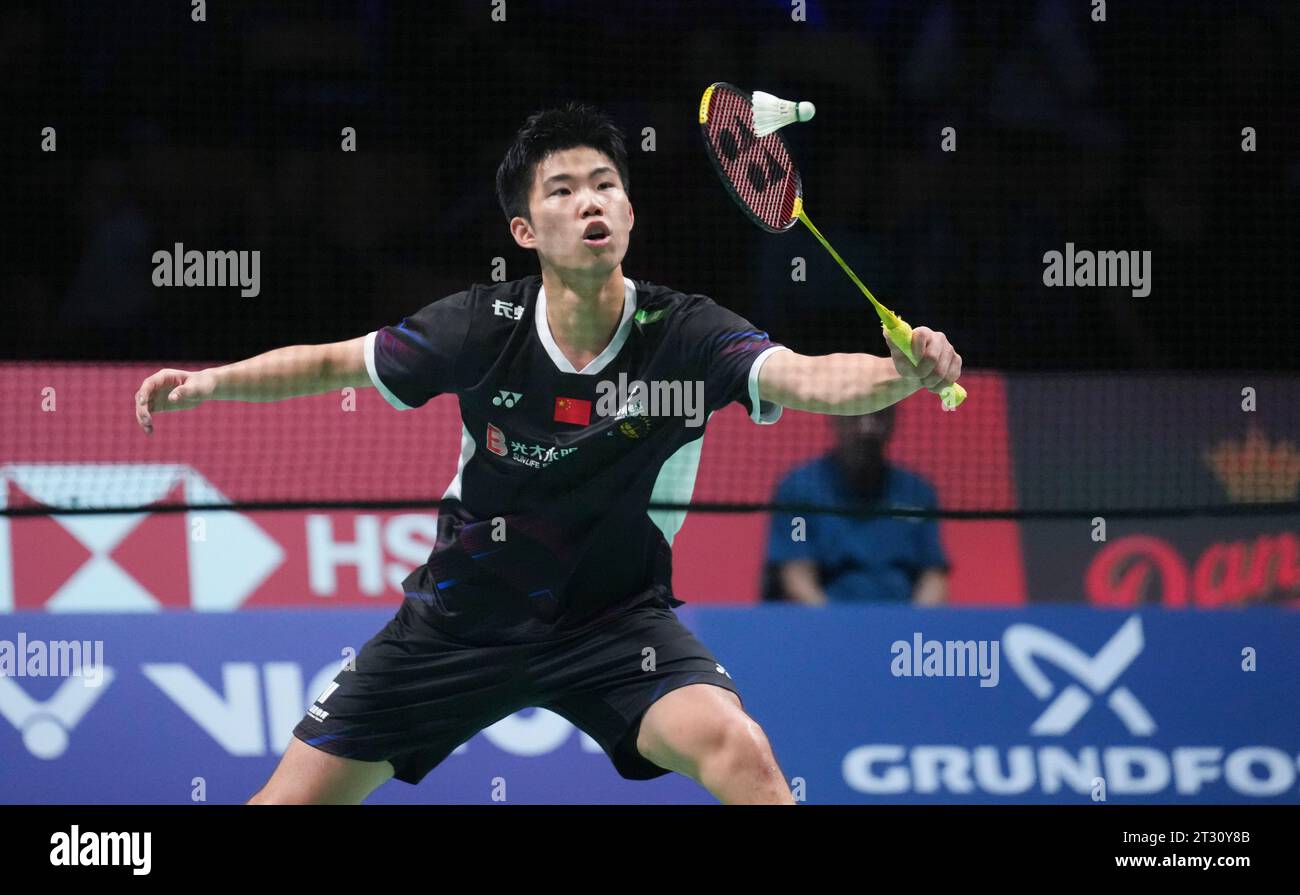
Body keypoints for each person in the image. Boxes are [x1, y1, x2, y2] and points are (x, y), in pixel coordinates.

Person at [133, 103, 961, 804]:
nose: (591, 202)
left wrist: (901, 372)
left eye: (606, 185)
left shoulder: (685, 333)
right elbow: (332, 362)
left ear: (630, 214)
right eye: (563, 191)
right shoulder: (479, 325)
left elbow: (808, 378)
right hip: (459, 622)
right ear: (525, 229)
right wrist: (211, 384)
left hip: (616, 624)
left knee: (738, 750)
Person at [765, 404, 950, 606]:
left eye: (879, 415)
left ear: (893, 421)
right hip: (827, 624)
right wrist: (844, 630)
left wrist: (911, 630)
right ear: (834, 418)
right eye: (856, 415)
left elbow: (933, 575)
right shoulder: (799, 491)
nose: (867, 428)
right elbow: (797, 576)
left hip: (903, 628)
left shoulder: (917, 493)